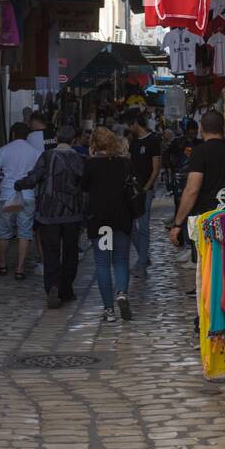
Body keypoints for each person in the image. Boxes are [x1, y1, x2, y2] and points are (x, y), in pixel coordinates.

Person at [16, 124, 85, 308]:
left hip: (49, 214)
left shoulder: (47, 156)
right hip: (72, 214)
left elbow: (34, 178)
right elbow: (85, 184)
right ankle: (66, 289)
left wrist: (19, 184)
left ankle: (53, 286)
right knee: (70, 253)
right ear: (73, 140)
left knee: (51, 252)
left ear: (56, 138)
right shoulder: (79, 158)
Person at [82, 126, 133, 323]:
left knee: (102, 263)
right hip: (121, 217)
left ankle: (109, 309)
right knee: (121, 260)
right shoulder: (124, 163)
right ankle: (122, 292)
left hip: (100, 219)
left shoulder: (91, 164)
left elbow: (84, 187)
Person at [169, 110, 225, 249]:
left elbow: (192, 189)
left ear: (201, 128)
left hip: (206, 218)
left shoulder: (199, 152)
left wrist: (177, 223)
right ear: (223, 128)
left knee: (206, 265)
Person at [0, 123, 39, 278]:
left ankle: (3, 265)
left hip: (7, 195)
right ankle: (20, 269)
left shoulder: (3, 150)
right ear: (27, 135)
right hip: (28, 196)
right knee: (24, 233)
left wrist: (0, 183)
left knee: (4, 232)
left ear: (12, 134)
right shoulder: (35, 152)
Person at [127, 108, 162, 276]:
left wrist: (147, 188)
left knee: (144, 226)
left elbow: (156, 168)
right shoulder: (133, 142)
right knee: (131, 226)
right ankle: (143, 256)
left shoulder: (153, 141)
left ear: (136, 124)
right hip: (133, 189)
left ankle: (141, 263)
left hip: (144, 190)